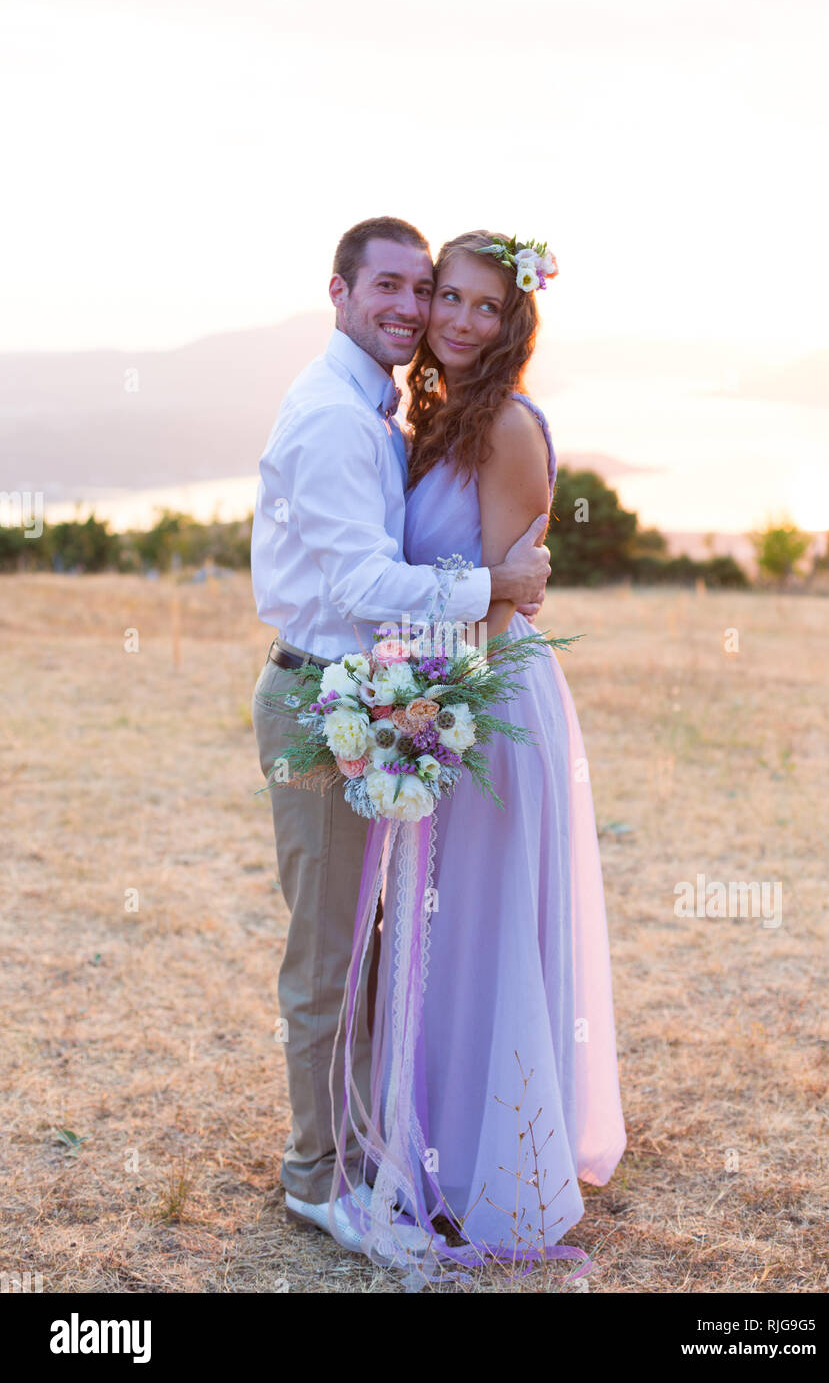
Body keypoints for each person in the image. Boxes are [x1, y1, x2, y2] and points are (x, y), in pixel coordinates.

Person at [250, 217, 552, 1252]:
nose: (417, 310)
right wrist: (493, 583)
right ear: (337, 291)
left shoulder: (390, 409)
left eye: (428, 290)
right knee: (331, 951)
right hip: (324, 698)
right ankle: (316, 1176)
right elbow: (366, 584)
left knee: (386, 940)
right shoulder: (339, 418)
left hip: (383, 698)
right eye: (396, 286)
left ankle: (376, 1138)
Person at [332, 230, 627, 1278]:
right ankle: (428, 1145)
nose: (455, 320)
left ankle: (489, 1167)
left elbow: (508, 602)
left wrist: (429, 708)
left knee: (479, 930)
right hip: (442, 696)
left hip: (488, 704)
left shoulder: (502, 425)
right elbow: (480, 581)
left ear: (514, 322)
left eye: (481, 307)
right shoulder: (436, 418)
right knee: (433, 928)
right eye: (445, 298)